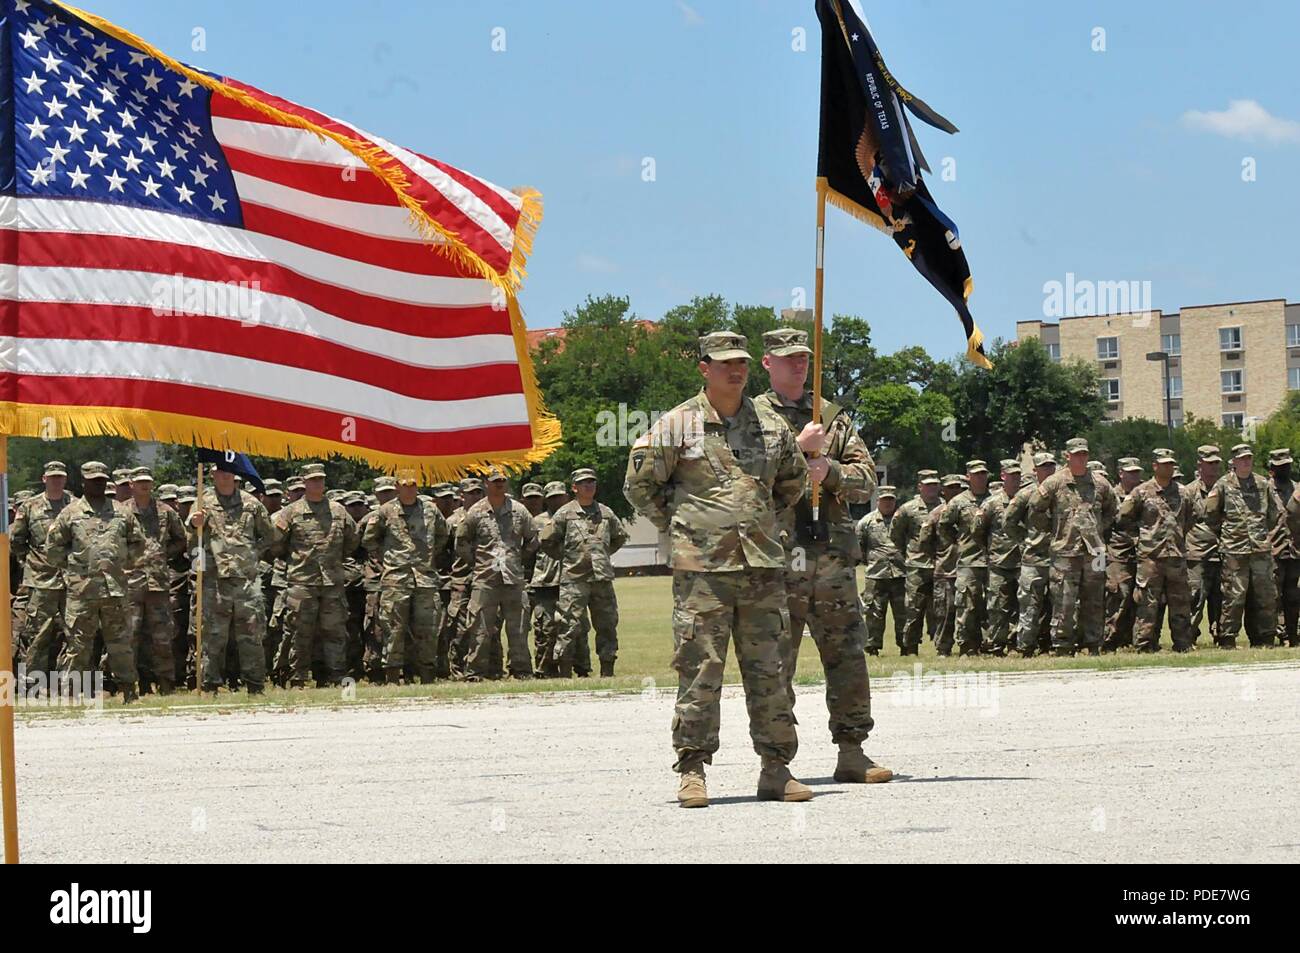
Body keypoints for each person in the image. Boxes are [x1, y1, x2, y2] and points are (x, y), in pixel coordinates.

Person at [624, 331, 812, 807]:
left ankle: (776, 768)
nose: (737, 370)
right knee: (701, 669)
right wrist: (685, 524)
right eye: (726, 363)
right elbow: (639, 485)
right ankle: (692, 770)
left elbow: (793, 483)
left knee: (770, 670)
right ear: (704, 367)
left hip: (762, 569)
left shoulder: (770, 425)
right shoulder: (677, 425)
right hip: (702, 571)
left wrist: (761, 522)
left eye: (743, 363)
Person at [752, 328, 887, 783]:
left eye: (804, 357)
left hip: (831, 557)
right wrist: (797, 451)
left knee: (847, 654)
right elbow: (741, 480)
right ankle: (776, 763)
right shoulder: (750, 418)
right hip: (776, 559)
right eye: (788, 357)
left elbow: (867, 480)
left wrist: (829, 470)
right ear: (768, 362)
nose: (799, 364)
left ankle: (852, 750)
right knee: (775, 663)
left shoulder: (831, 416)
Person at [45, 461, 146, 702]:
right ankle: (70, 693)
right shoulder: (70, 513)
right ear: (83, 482)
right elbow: (52, 548)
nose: (98, 484)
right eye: (93, 481)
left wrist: (123, 562)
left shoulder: (122, 511)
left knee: (121, 644)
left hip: (115, 589)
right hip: (82, 592)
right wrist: (74, 567)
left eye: (102, 480)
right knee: (78, 644)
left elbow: (138, 542)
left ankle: (129, 691)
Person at [187, 463, 275, 694]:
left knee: (252, 634)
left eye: (228, 470)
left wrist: (252, 556)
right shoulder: (202, 502)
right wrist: (194, 525)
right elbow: (191, 542)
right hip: (215, 582)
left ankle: (255, 686)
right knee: (213, 637)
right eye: (220, 471)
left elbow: (269, 535)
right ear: (213, 474)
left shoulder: (251, 504)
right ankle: (210, 685)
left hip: (246, 581)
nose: (225, 475)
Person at [271, 463, 360, 687]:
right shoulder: (291, 512)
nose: (317, 483)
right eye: (312, 480)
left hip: (332, 581)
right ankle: (298, 678)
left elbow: (352, 541)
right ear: (304, 482)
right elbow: (276, 545)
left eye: (320, 479)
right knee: (299, 632)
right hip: (302, 582)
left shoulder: (339, 510)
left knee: (335, 632)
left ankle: (336, 677)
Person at [1031, 437, 1117, 655]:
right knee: (1064, 601)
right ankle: (1062, 646)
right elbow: (1035, 509)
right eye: (1077, 454)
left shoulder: (1100, 483)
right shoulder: (1054, 482)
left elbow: (1112, 510)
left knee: (1095, 599)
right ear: (1067, 456)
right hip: (1065, 552)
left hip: (1095, 552)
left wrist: (1099, 529)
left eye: (1084, 454)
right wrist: (1053, 532)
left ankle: (1094, 644)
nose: (1081, 458)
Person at [363, 470, 448, 684]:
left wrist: (426, 557)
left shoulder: (431, 510)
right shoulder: (385, 511)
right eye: (405, 485)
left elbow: (442, 535)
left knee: (427, 629)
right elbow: (369, 540)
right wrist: (389, 558)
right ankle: (392, 677)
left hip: (425, 579)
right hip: (396, 580)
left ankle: (427, 677)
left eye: (413, 484)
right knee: (393, 629)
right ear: (397, 487)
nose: (409, 488)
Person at [542, 468, 627, 677]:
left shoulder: (606, 513)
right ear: (574, 488)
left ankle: (607, 670)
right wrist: (568, 556)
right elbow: (546, 541)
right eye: (583, 483)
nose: (589, 486)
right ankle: (564, 671)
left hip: (602, 579)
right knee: (567, 625)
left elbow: (619, 537)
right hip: (574, 579)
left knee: (607, 625)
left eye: (592, 482)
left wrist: (602, 554)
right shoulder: (565, 513)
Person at [458, 467, 538, 680]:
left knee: (519, 628)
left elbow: (533, 538)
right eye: (495, 480)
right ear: (486, 483)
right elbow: (461, 541)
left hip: (513, 578)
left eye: (502, 480)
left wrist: (520, 558)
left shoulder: (519, 511)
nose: (499, 483)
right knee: (480, 629)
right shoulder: (475, 511)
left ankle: (521, 671)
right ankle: (475, 673)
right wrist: (476, 562)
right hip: (485, 579)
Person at [1204, 444, 1284, 648]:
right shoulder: (1223, 484)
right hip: (1234, 551)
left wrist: (1263, 534)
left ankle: (1266, 637)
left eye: (1249, 458)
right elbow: (1210, 514)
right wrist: (1226, 535)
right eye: (1242, 459)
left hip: (1260, 550)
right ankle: (1228, 638)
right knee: (1233, 596)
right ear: (1234, 462)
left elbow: (1275, 514)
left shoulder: (1262, 484)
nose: (1246, 462)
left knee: (1265, 595)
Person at [1117, 449, 1196, 652]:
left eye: (1171, 464)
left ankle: (1183, 644)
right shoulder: (1141, 492)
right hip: (1150, 559)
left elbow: (1193, 517)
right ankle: (1143, 645)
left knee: (1181, 604)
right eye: (1164, 464)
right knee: (1147, 604)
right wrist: (1139, 539)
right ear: (1155, 466)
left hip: (1176, 557)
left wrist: (1178, 536)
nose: (1168, 468)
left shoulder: (1183, 492)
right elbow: (1123, 519)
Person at [11, 461, 74, 692]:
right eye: (52, 476)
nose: (57, 480)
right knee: (37, 633)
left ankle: (68, 685)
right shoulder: (30, 507)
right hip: (40, 580)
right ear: (44, 479)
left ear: (65, 479)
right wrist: (34, 561)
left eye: (60, 476)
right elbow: (17, 541)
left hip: (71, 580)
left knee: (73, 632)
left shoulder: (75, 505)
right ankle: (33, 685)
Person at [126, 466, 187, 693]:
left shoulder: (165, 511)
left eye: (148, 481)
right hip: (130, 582)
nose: (144, 485)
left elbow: (181, 539)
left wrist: (162, 554)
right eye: (140, 481)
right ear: (131, 484)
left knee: (162, 636)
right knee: (130, 635)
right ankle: (131, 684)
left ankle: (166, 683)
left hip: (159, 582)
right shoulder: (121, 511)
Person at [1005, 451, 1057, 656]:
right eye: (1044, 467)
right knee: (1029, 604)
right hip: (1033, 558)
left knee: (1059, 604)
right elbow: (1008, 521)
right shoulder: (1026, 494)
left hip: (1059, 557)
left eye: (1051, 465)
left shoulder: (1061, 490)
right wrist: (1025, 539)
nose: (1049, 470)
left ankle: (1054, 645)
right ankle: (1025, 646)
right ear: (1035, 470)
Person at [941, 460, 992, 656]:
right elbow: (944, 526)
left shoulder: (994, 499)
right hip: (968, 560)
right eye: (976, 474)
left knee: (992, 603)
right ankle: (967, 646)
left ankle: (990, 645)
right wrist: (957, 542)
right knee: (966, 604)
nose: (980, 477)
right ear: (968, 477)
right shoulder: (958, 502)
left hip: (993, 559)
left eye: (983, 474)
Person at [890, 470, 942, 654]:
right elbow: (895, 536)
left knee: (939, 609)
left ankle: (941, 647)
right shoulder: (907, 509)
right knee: (913, 609)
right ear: (920, 486)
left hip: (940, 566)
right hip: (917, 567)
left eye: (935, 485)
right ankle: (910, 648)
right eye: (928, 485)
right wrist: (907, 556)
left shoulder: (945, 507)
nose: (932, 489)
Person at [1102, 457, 1144, 652]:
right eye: (1131, 473)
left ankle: (1134, 639)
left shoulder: (1145, 493)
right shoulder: (1111, 495)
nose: (1135, 476)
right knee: (1119, 595)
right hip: (1117, 553)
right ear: (1121, 473)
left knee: (1140, 599)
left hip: (1143, 553)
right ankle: (1109, 640)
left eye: (1137, 472)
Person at [982, 460, 1023, 656]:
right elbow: (978, 531)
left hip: (1023, 560)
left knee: (1022, 605)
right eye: (1012, 475)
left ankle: (1016, 644)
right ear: (1003, 476)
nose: (1016, 479)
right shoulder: (991, 503)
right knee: (997, 606)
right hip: (999, 561)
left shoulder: (1027, 499)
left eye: (1018, 475)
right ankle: (996, 645)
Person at [920, 474, 964, 655]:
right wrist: (939, 557)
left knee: (969, 610)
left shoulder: (968, 510)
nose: (954, 491)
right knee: (944, 612)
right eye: (950, 488)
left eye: (957, 488)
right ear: (943, 491)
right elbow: (924, 541)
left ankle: (970, 646)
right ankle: (943, 648)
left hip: (967, 567)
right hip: (945, 571)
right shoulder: (937, 513)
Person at [857, 486, 905, 655]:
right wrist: (871, 561)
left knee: (903, 612)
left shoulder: (902, 519)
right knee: (873, 612)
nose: (888, 503)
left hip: (901, 574)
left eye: (891, 500)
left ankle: (906, 646)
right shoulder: (867, 521)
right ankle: (872, 647)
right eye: (884, 500)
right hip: (876, 574)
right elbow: (859, 546)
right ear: (878, 501)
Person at [528, 481, 568, 677]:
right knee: (545, 629)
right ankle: (544, 669)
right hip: (544, 582)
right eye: (552, 498)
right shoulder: (536, 522)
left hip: (571, 580)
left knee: (574, 628)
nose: (557, 501)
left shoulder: (575, 517)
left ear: (566, 497)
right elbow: (527, 553)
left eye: (560, 496)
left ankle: (575, 668)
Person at [1185, 445, 1223, 646]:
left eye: (1217, 463)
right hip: (1197, 552)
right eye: (1210, 463)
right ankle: (1188, 637)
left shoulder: (1226, 488)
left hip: (1223, 551)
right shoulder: (1189, 491)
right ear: (1200, 464)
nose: (1214, 467)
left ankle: (1222, 637)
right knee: (1195, 597)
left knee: (1222, 598)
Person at [1266, 449, 1300, 646]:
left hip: (1294, 550)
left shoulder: (1296, 488)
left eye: (1287, 466)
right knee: (1274, 597)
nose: (1284, 470)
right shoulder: (1265, 489)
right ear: (1272, 469)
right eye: (1280, 467)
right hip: (1273, 549)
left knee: (1294, 596)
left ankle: (1293, 634)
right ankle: (1280, 634)